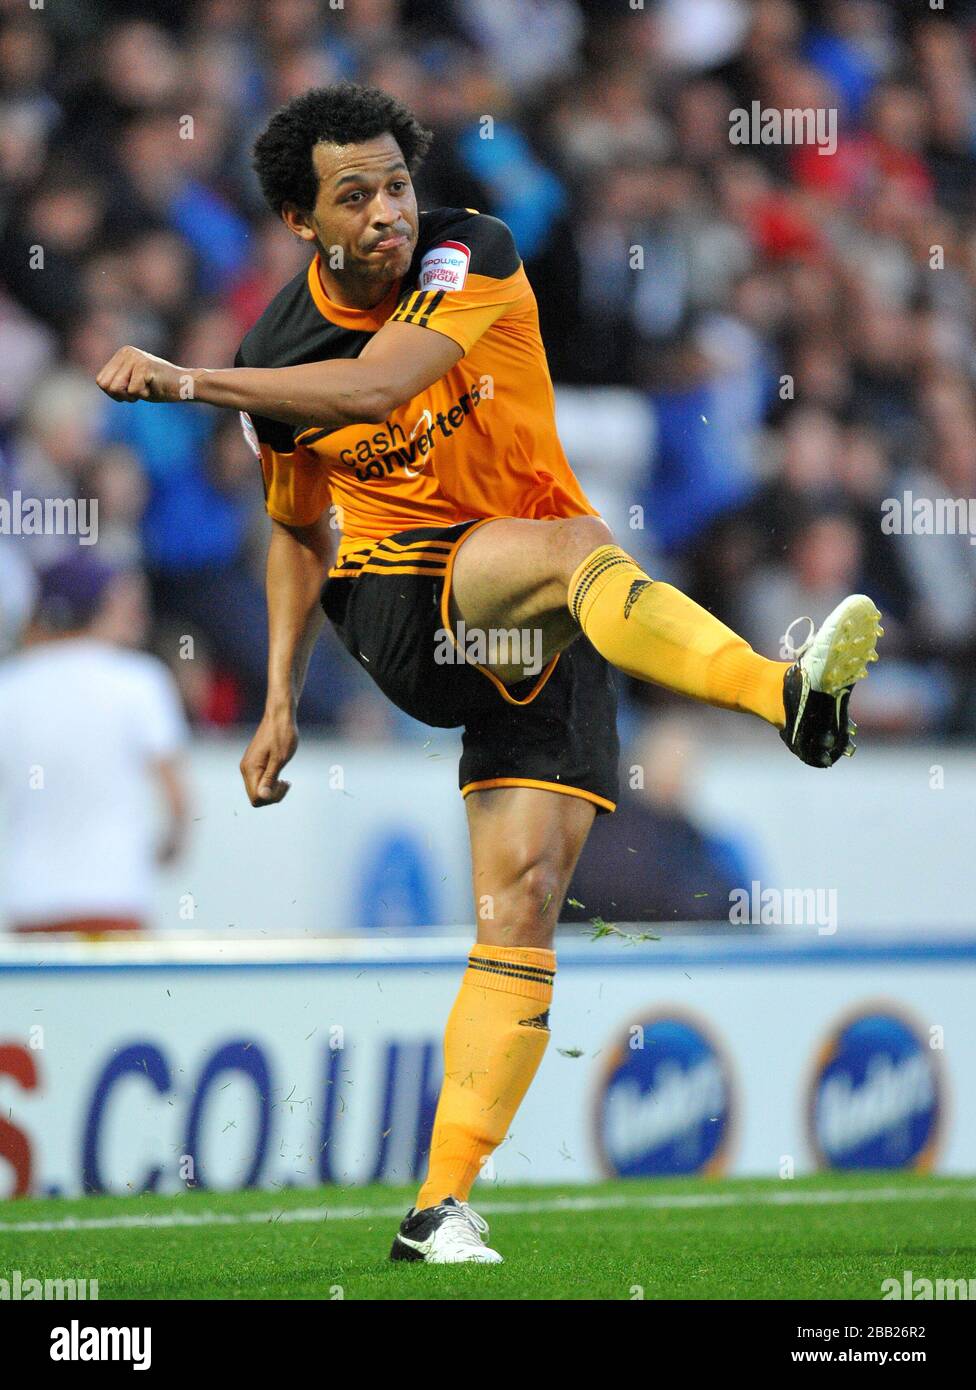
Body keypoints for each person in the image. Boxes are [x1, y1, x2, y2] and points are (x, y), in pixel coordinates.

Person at [95, 83, 882, 1263]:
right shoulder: (276, 354)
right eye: (350, 196)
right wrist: (275, 704)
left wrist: (189, 381)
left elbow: (375, 388)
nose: (385, 214)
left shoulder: (473, 252)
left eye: (395, 185)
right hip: (413, 609)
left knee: (521, 912)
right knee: (580, 547)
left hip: (551, 620)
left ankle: (437, 1206)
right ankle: (786, 699)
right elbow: (298, 531)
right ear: (301, 223)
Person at [0, 555, 189, 936]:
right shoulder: (141, 681)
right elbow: (177, 802)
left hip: (29, 903)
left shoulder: (10, 685)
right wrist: (166, 847)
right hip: (114, 898)